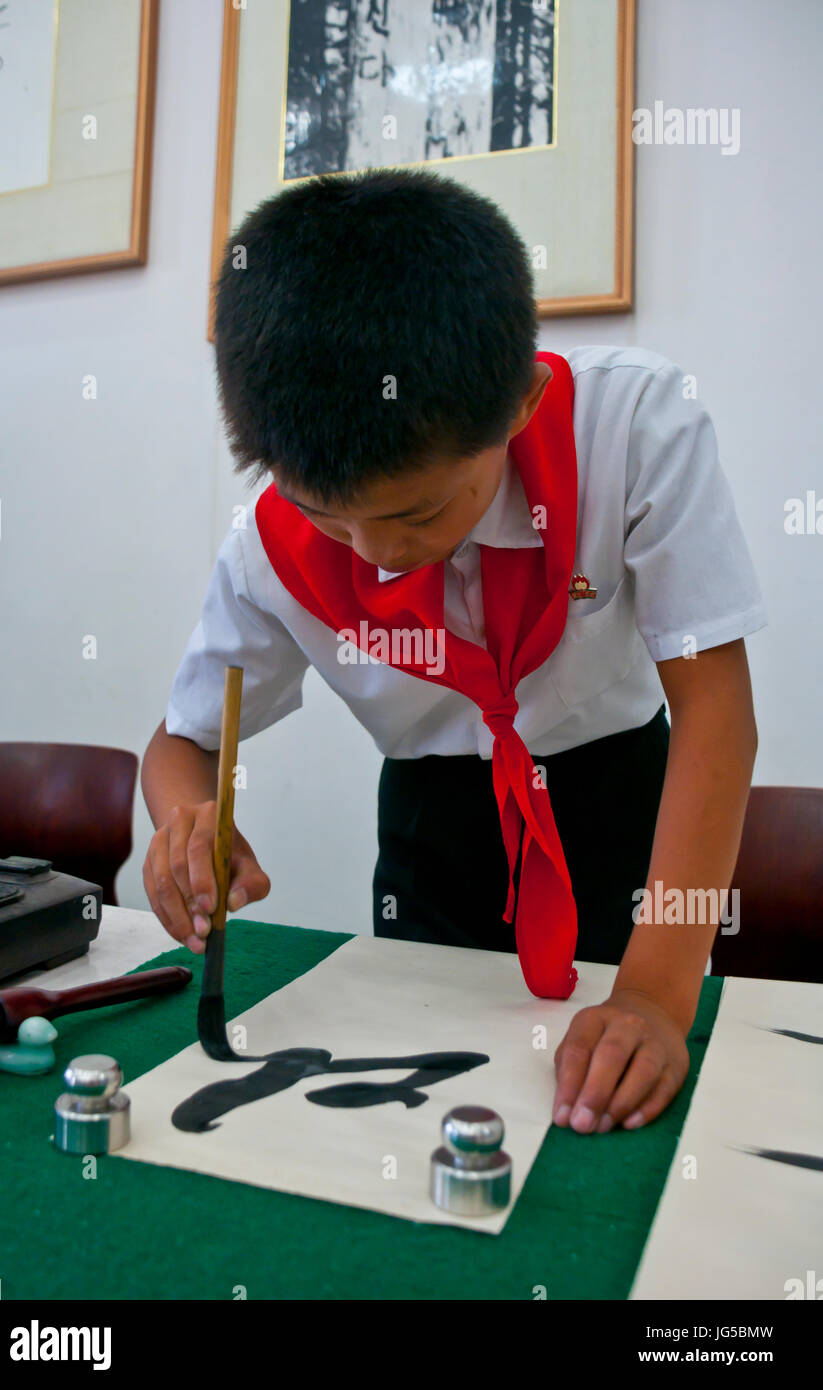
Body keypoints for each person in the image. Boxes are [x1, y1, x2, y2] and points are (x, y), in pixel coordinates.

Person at [141, 168, 765, 1137]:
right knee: (426, 1112)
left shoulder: (630, 429)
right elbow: (178, 745)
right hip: (431, 836)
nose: (378, 557)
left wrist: (652, 994)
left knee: (610, 1117)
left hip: (627, 814)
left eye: (416, 511)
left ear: (514, 403)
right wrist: (187, 821)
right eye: (328, 518)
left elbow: (716, 710)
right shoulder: (267, 546)